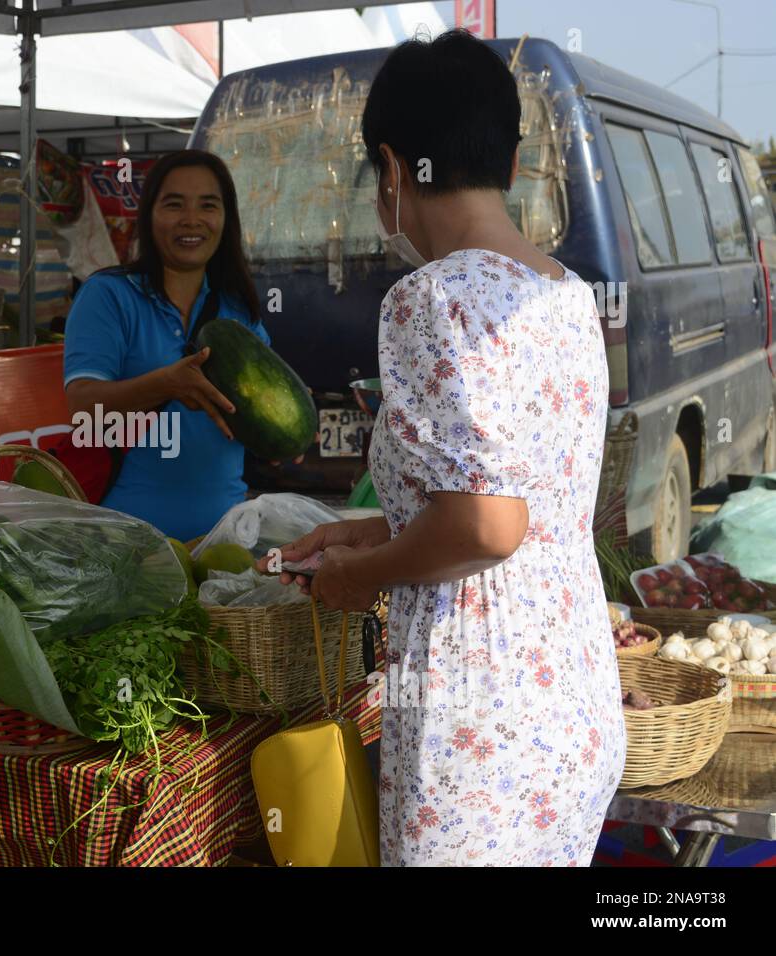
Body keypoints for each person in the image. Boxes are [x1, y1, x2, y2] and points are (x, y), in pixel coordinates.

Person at [260, 30, 624, 866]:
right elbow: (497, 497)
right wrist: (374, 533)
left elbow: (489, 524)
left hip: (480, 717)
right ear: (508, 155)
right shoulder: (563, 292)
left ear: (391, 170)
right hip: (568, 691)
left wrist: (362, 576)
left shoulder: (435, 298)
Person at [63, 149, 286, 541]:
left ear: (225, 219)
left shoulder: (240, 310)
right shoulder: (108, 295)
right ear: (149, 216)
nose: (192, 220)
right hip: (127, 546)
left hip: (224, 542)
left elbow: (258, 413)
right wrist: (168, 383)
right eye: (174, 204)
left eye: (208, 206)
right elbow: (84, 408)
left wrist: (281, 437)